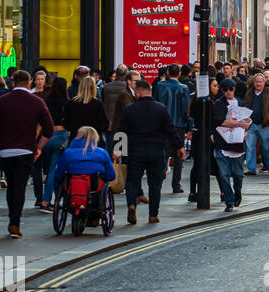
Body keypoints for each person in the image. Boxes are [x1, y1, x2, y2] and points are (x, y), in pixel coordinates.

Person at [0, 69, 55, 239]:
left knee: (11, 187)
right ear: (29, 83)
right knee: (19, 187)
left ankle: (13, 220)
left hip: (6, 150)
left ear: (12, 83)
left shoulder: (2, 101)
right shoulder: (36, 102)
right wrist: (39, 147)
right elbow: (49, 129)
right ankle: (15, 223)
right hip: (26, 150)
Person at [117, 79, 181, 225]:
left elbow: (121, 131)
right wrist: (179, 146)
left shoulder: (130, 109)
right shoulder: (161, 108)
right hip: (156, 151)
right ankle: (153, 215)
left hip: (135, 151)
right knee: (155, 184)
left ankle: (132, 205)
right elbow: (171, 130)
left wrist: (118, 149)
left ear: (138, 93)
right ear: (150, 91)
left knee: (132, 181)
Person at [211, 76, 250, 212]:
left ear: (234, 89)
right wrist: (239, 124)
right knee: (224, 175)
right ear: (222, 90)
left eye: (231, 89)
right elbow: (221, 121)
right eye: (225, 89)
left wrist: (246, 129)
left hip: (238, 143)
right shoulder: (219, 104)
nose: (228, 92)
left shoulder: (241, 103)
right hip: (222, 143)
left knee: (238, 174)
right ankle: (229, 201)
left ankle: (237, 191)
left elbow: (247, 121)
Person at [34, 76, 71, 212]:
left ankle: (46, 199)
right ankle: (47, 200)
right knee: (53, 171)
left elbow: (40, 122)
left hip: (47, 137)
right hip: (61, 136)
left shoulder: (47, 102)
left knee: (48, 168)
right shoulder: (67, 103)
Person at [155, 64, 192, 192]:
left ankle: (159, 180)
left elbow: (156, 104)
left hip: (162, 125)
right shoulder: (183, 88)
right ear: (180, 73)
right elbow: (186, 109)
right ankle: (176, 185)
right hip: (178, 125)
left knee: (163, 153)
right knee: (178, 156)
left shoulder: (160, 86)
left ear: (167, 72)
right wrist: (189, 126)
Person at [52, 126, 116, 192]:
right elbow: (111, 175)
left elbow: (59, 174)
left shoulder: (67, 153)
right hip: (94, 187)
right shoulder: (102, 153)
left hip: (72, 187)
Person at [242, 73, 269, 175]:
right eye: (256, 82)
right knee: (250, 147)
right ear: (254, 83)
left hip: (264, 125)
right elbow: (246, 107)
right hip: (251, 125)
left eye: (260, 82)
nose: (258, 84)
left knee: (266, 147)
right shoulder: (249, 94)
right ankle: (251, 169)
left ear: (264, 83)